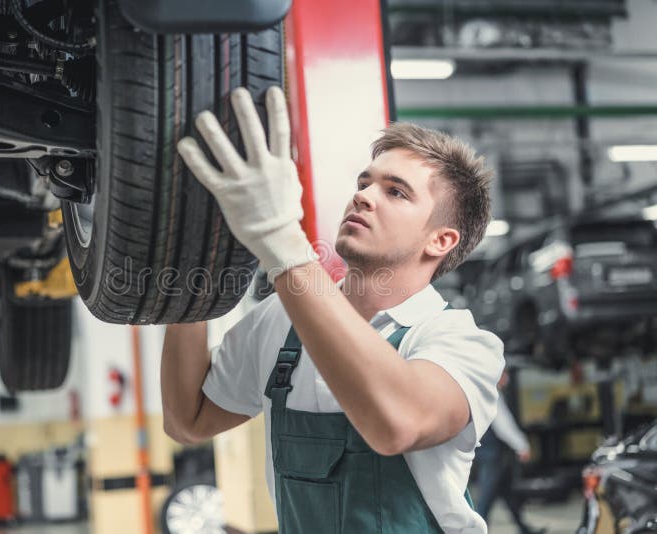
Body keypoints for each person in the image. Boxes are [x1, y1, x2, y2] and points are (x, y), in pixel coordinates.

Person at [160, 86, 505, 533]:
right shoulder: (281, 321)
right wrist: (192, 265)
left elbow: (396, 424)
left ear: (440, 240)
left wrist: (281, 238)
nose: (363, 196)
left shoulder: (459, 343)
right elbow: (188, 419)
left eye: (396, 192)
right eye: (365, 183)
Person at [475, 371, 546, 534]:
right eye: (503, 374)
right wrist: (521, 446)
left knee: (508, 495)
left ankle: (524, 529)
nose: (506, 378)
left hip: (489, 453)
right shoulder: (493, 395)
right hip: (492, 455)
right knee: (485, 498)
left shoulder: (483, 393)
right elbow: (503, 425)